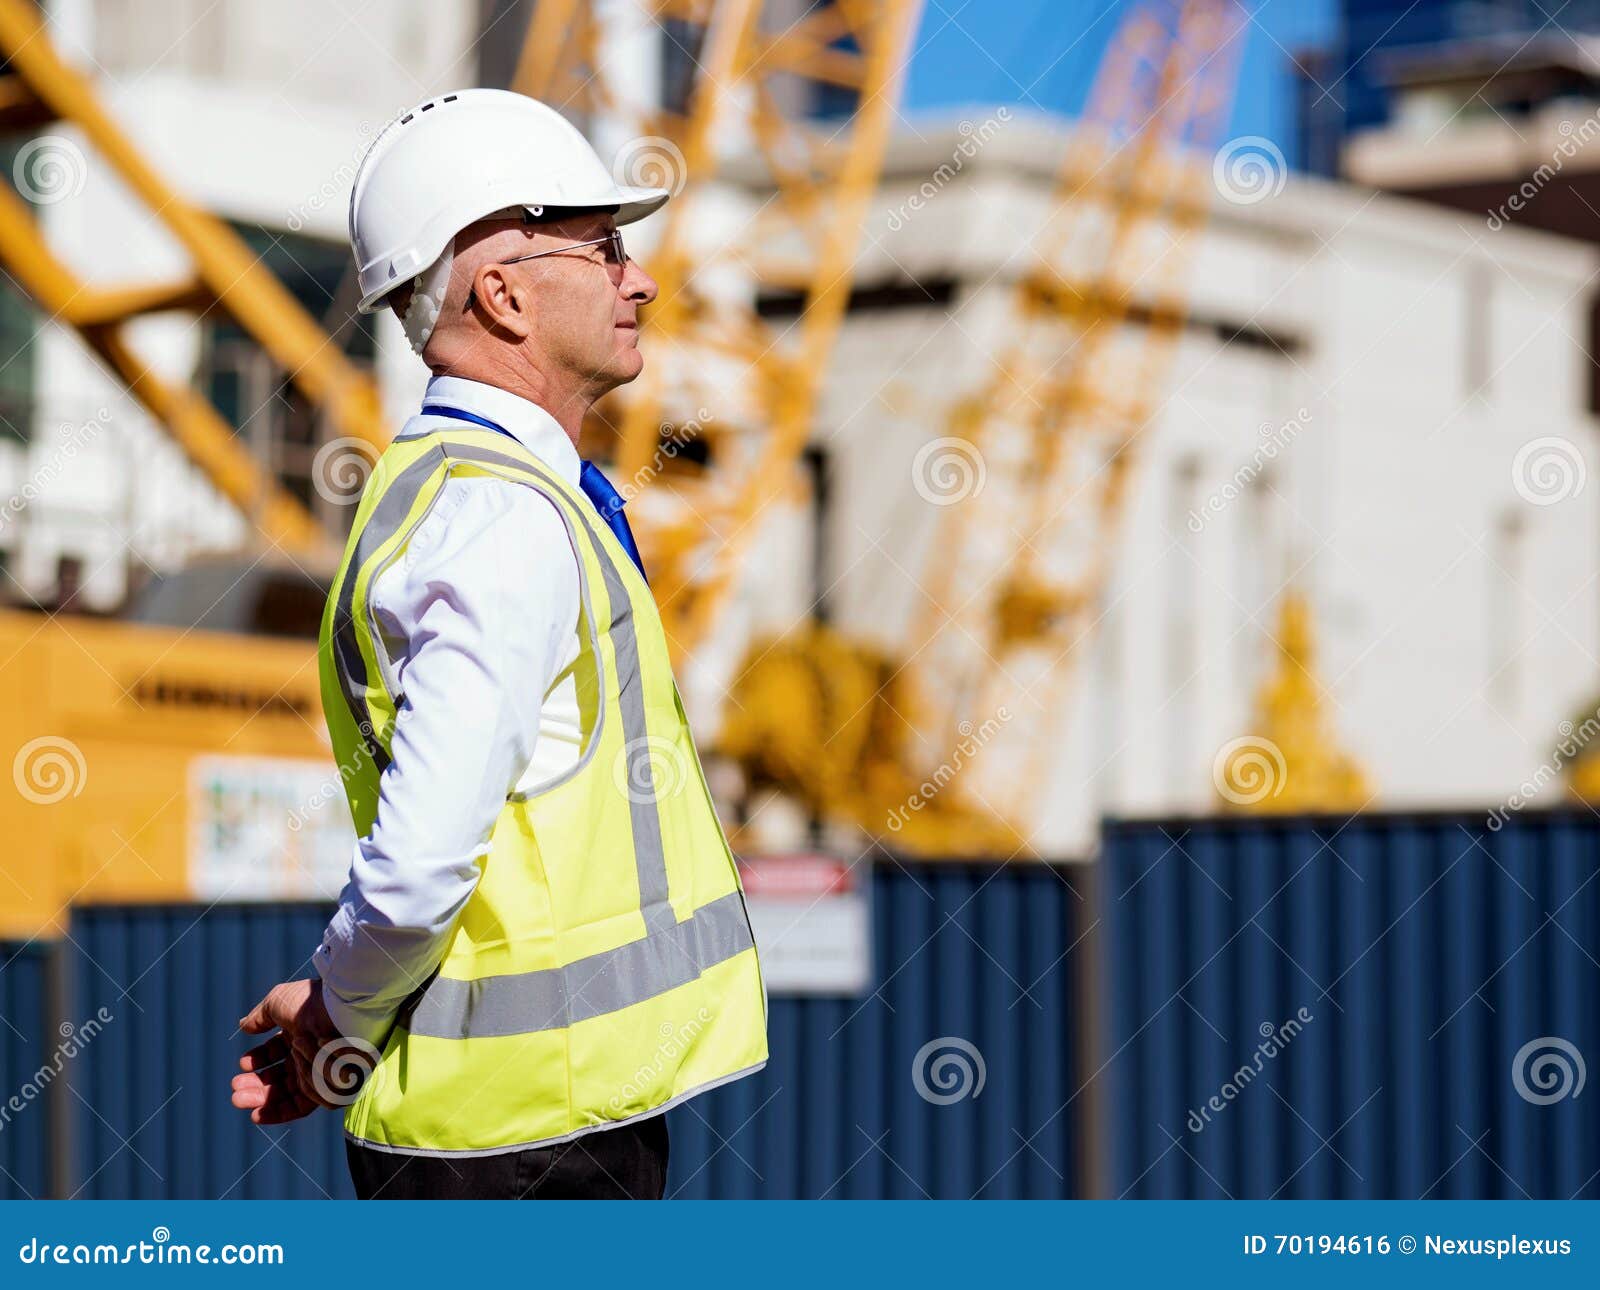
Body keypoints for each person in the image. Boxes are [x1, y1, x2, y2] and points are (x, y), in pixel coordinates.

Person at [229, 88, 768, 1200]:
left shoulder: (483, 497)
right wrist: (335, 1014)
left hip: (518, 1132)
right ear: (504, 293)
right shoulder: (500, 518)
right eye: (606, 246)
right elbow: (423, 865)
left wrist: (335, 1013)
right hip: (522, 1146)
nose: (642, 277)